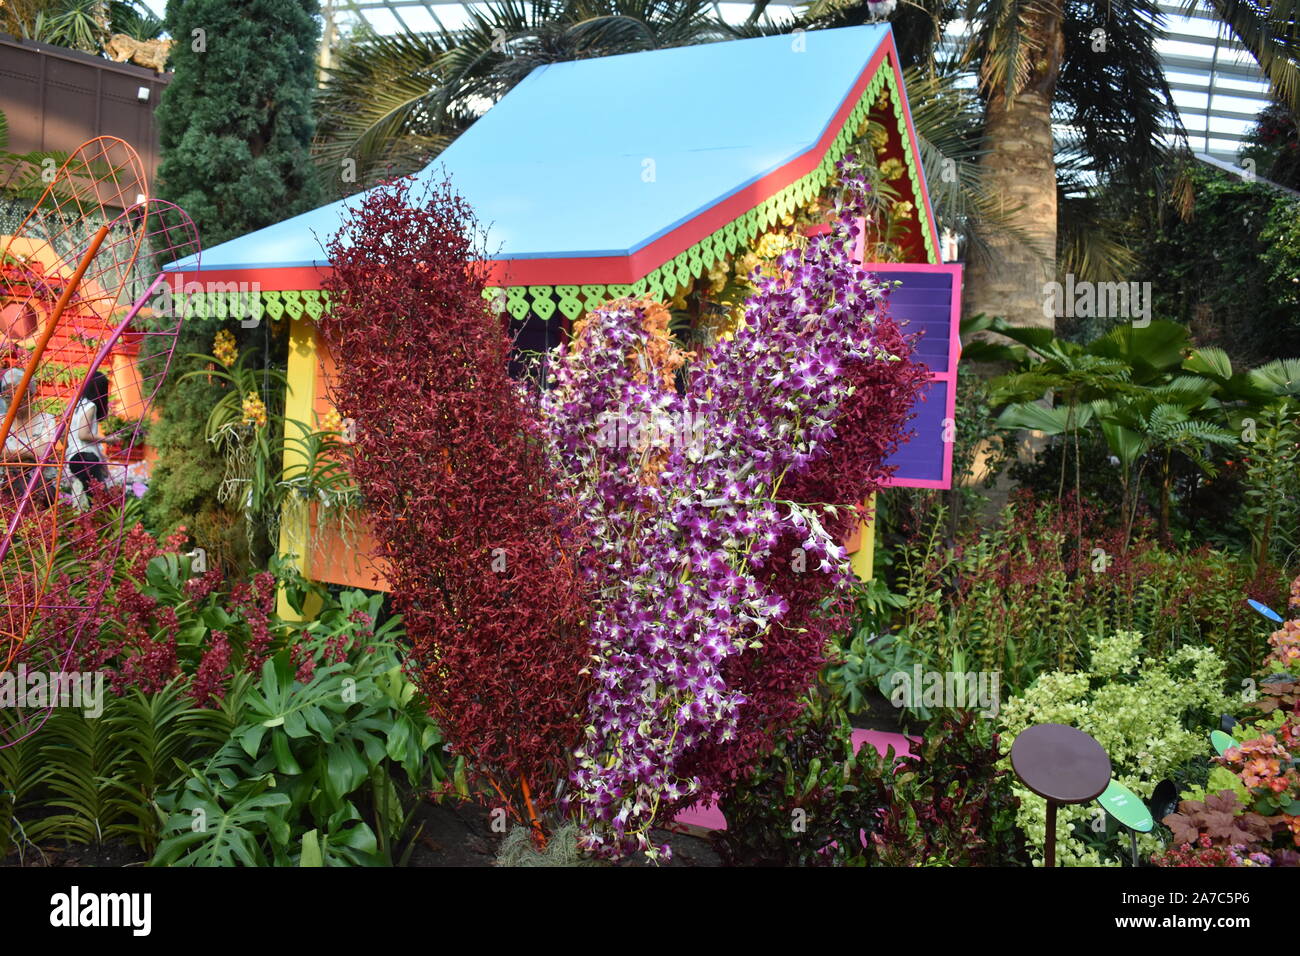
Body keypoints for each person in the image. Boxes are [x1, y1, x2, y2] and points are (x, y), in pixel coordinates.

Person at [0, 367, 57, 506]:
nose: (14, 400)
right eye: (8, 396)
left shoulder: (46, 420)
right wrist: (30, 453)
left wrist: (8, 455)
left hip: (39, 484)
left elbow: (44, 453)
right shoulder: (1, 422)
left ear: (32, 394)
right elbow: (37, 452)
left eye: (20, 394)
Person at [66, 371, 115, 492]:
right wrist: (109, 439)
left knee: (86, 498)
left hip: (74, 457)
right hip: (85, 457)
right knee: (99, 499)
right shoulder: (90, 406)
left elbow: (64, 435)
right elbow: (83, 434)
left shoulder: (76, 405)